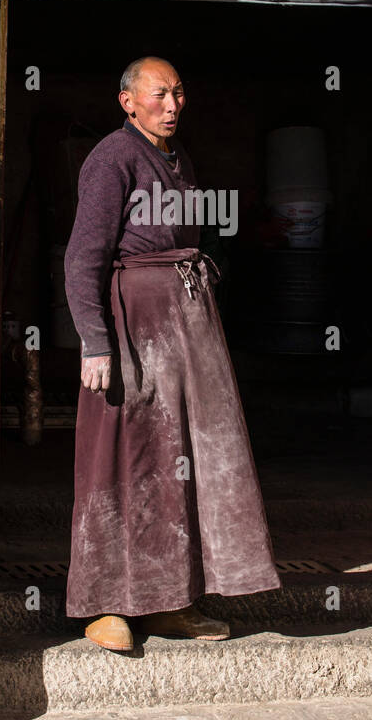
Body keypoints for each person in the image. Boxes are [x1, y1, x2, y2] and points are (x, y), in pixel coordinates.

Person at [64, 56, 280, 651]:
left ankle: (170, 602)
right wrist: (95, 341)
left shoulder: (179, 159)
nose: (172, 104)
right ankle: (107, 606)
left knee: (177, 460)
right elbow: (83, 256)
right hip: (133, 327)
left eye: (179, 93)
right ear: (127, 101)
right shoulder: (111, 158)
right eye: (159, 94)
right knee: (123, 461)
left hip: (185, 327)